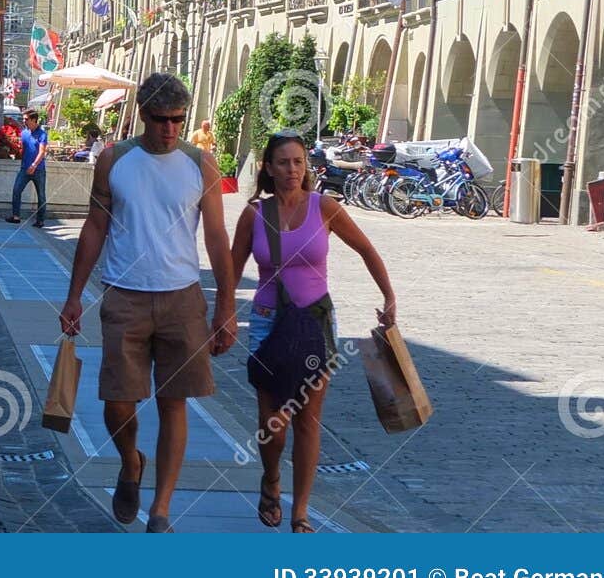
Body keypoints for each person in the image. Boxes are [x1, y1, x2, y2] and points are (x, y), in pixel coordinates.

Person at [59, 73, 237, 533]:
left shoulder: (202, 164)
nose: (171, 129)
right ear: (143, 115)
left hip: (183, 298)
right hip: (124, 294)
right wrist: (74, 295)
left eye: (178, 120)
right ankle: (131, 461)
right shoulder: (115, 160)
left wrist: (226, 307)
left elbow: (217, 238)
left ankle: (160, 509)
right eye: (161, 120)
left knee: (173, 403)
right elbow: (95, 226)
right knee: (118, 401)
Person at [230, 131, 396, 532]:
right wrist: (224, 317)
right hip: (269, 324)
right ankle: (271, 478)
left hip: (316, 324)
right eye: (283, 162)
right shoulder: (255, 215)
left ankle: (300, 511)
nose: (292, 170)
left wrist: (389, 298)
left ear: (307, 167)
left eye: (298, 162)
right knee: (273, 424)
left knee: (307, 418)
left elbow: (367, 250)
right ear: (268, 168)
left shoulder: (325, 207)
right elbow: (231, 271)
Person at [8, 109, 50, 227]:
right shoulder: (24, 132)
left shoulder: (42, 134)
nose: (24, 121)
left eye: (26, 119)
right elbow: (23, 149)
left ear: (33, 120)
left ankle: (40, 220)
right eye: (23, 119)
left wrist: (34, 165)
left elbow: (42, 152)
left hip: (38, 169)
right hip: (24, 168)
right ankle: (16, 216)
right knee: (16, 190)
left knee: (41, 195)